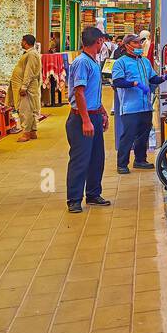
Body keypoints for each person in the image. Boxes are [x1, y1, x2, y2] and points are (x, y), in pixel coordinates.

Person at [65, 26, 111, 213]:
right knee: (80, 160)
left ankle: (93, 193)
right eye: (102, 41)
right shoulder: (82, 63)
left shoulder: (93, 61)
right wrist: (85, 120)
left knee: (96, 158)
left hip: (93, 115)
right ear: (98, 41)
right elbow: (79, 92)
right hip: (81, 118)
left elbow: (92, 94)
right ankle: (74, 199)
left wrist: (102, 112)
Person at [111, 33, 163, 174]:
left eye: (140, 43)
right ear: (127, 45)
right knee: (128, 136)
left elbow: (153, 78)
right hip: (130, 107)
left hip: (145, 106)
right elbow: (117, 82)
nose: (140, 45)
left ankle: (140, 160)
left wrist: (164, 77)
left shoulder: (145, 61)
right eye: (136, 43)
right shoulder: (120, 62)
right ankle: (122, 164)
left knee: (143, 135)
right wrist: (135, 84)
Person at [7, 34, 42, 142]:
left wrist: (24, 86)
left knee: (25, 109)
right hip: (27, 85)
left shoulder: (31, 54)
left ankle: (26, 133)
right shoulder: (30, 54)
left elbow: (29, 71)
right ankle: (32, 132)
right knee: (29, 109)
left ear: (26, 42)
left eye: (22, 41)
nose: (21, 43)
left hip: (27, 86)